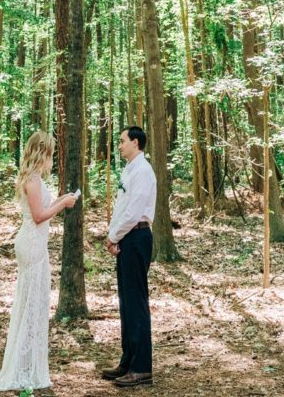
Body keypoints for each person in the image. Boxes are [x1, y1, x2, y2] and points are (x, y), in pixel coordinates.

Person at [0, 130, 79, 392]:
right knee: (32, 303)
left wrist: (62, 199)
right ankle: (24, 367)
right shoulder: (31, 180)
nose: (52, 158)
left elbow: (43, 209)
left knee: (35, 302)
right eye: (51, 153)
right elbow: (38, 215)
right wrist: (62, 205)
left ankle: (29, 364)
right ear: (42, 153)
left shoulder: (35, 179)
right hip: (31, 244)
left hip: (35, 242)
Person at [99, 125, 157, 389]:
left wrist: (115, 236)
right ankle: (128, 360)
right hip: (127, 237)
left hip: (137, 237)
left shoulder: (143, 172)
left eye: (122, 141)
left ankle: (142, 367)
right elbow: (122, 207)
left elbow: (134, 213)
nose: (119, 145)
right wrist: (113, 235)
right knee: (127, 303)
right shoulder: (129, 169)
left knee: (137, 303)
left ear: (135, 142)